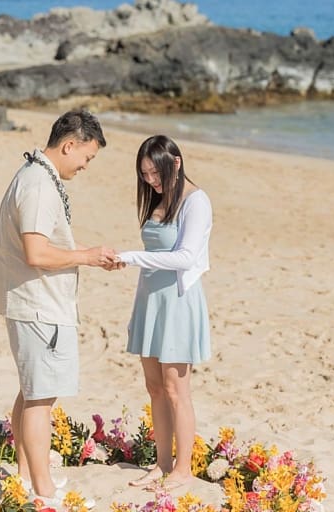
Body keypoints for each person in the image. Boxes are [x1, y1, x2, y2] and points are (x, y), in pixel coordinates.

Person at [0, 109, 115, 507]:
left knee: (33, 392)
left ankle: (27, 476)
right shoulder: (39, 185)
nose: (85, 165)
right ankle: (42, 490)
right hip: (39, 304)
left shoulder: (34, 175)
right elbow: (37, 253)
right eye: (87, 157)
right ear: (69, 145)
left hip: (34, 302)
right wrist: (87, 257)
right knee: (41, 398)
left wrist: (89, 256)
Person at [116, 135, 213, 490]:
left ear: (176, 163)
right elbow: (153, 259)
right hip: (150, 302)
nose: (151, 180)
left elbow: (185, 258)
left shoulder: (196, 201)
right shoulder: (159, 198)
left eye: (155, 173)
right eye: (144, 174)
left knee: (176, 390)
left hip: (177, 302)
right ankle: (163, 463)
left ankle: (183, 469)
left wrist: (130, 256)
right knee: (155, 387)